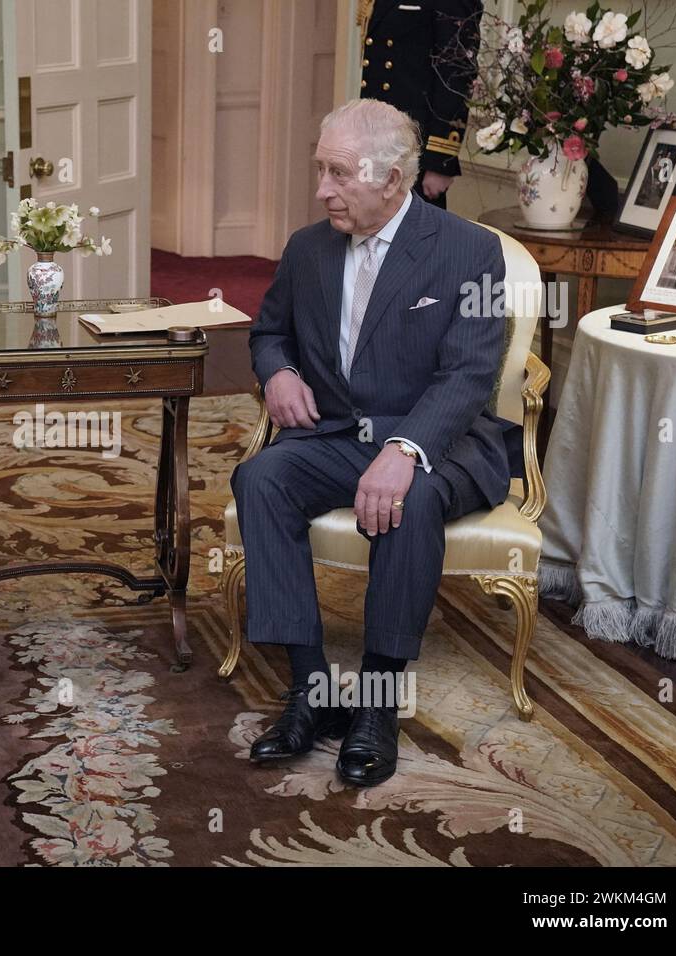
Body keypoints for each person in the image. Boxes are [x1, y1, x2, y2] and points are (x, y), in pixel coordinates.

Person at [231, 98, 515, 787]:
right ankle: (312, 693)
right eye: (319, 170)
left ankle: (379, 706)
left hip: (441, 441)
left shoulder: (468, 251)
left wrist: (406, 449)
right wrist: (281, 372)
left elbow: (470, 373)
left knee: (409, 502)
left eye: (338, 174)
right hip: (337, 433)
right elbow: (270, 333)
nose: (322, 189)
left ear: (393, 180)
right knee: (260, 477)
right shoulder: (309, 248)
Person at [358, 0, 482, 209]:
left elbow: (454, 79)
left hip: (417, 148)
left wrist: (441, 161)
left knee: (414, 234)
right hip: (378, 142)